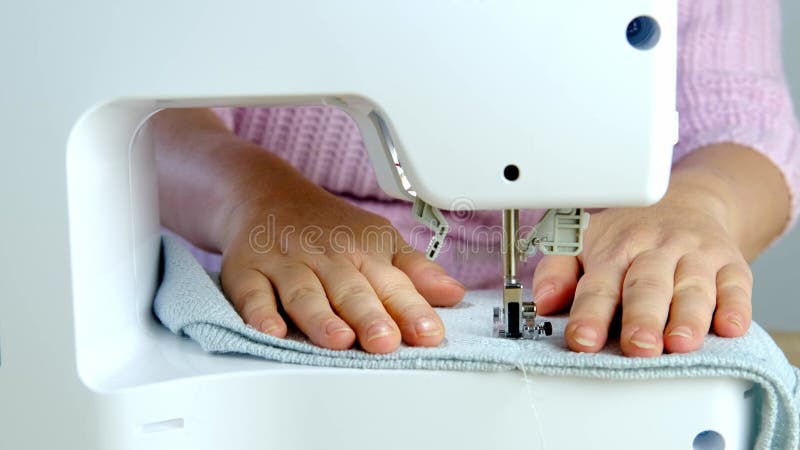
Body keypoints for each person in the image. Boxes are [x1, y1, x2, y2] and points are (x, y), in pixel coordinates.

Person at [153, 0, 799, 357]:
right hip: (270, 273)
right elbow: (147, 116)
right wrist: (254, 198)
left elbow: (745, 130)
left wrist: (701, 204)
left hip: (585, 287)